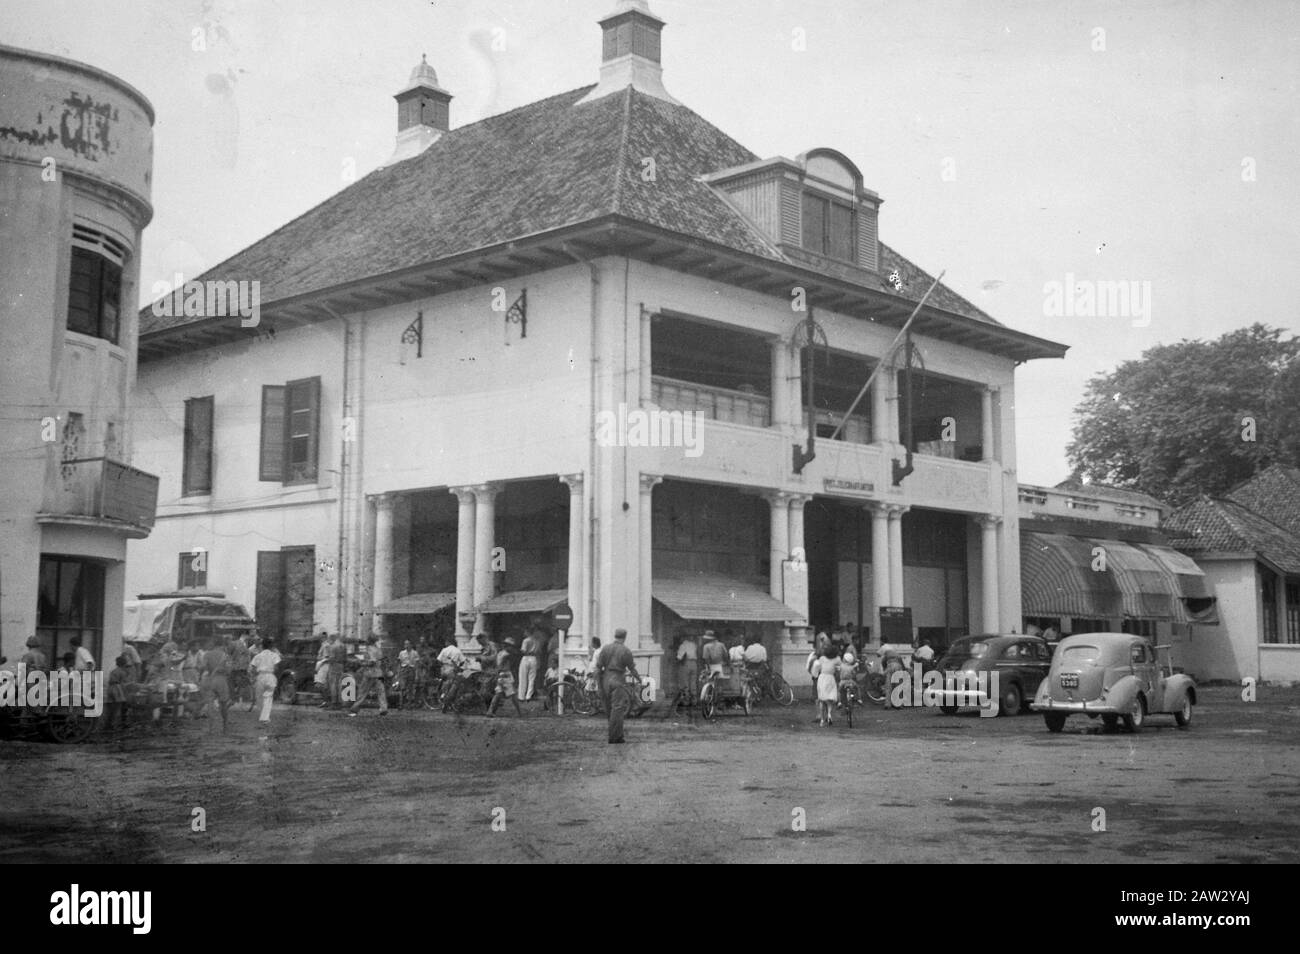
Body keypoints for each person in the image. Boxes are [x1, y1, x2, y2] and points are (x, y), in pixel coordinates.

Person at [594, 628, 640, 744]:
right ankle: (615, 737)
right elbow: (632, 669)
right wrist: (640, 679)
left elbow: (598, 668)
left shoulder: (605, 648)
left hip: (605, 678)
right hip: (618, 678)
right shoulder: (625, 651)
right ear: (625, 637)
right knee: (618, 709)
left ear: (615, 636)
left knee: (609, 709)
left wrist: (599, 685)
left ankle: (615, 734)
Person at [349, 634, 389, 717]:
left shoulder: (369, 649)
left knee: (363, 691)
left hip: (369, 673)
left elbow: (371, 662)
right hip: (379, 673)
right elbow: (381, 660)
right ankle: (383, 708)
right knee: (381, 692)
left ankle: (355, 708)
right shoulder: (378, 649)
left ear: (369, 640)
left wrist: (362, 663)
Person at [200, 639, 233, 731]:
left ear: (213, 644)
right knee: (223, 704)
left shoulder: (207, 654)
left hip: (211, 679)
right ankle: (225, 725)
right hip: (222, 680)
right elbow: (229, 670)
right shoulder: (226, 655)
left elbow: (203, 667)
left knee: (210, 703)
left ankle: (211, 727)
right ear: (222, 644)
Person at [249, 637, 281, 725]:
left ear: (262, 646)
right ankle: (265, 717)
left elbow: (253, 668)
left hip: (260, 676)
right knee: (268, 696)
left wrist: (253, 677)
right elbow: (276, 667)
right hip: (270, 675)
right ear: (271, 646)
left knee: (259, 697)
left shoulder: (258, 656)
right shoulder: (275, 655)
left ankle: (263, 716)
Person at [488, 641, 523, 718]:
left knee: (498, 694)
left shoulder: (500, 653)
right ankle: (519, 712)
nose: (511, 648)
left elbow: (498, 665)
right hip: (505, 674)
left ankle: (490, 711)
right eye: (510, 646)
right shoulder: (506, 655)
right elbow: (501, 665)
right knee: (512, 694)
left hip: (501, 674)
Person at [810, 644, 841, 727]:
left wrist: (814, 675)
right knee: (830, 699)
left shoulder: (822, 658)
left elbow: (817, 667)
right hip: (831, 678)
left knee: (822, 699)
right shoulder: (837, 659)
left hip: (822, 678)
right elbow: (839, 668)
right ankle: (829, 714)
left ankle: (822, 720)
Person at [106, 654, 133, 731]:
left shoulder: (113, 671)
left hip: (110, 688)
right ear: (124, 664)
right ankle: (116, 724)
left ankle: (108, 725)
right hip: (117, 689)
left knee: (111, 708)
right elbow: (123, 684)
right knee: (118, 707)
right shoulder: (122, 672)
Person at [518, 628, 540, 702]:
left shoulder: (526, 640)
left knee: (523, 677)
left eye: (525, 631)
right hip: (533, 658)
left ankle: (521, 696)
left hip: (526, 658)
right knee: (532, 678)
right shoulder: (537, 641)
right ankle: (528, 696)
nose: (524, 633)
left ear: (528, 632)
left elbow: (523, 650)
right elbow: (538, 651)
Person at [676, 632, 699, 698]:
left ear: (683, 638)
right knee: (693, 681)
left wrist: (677, 662)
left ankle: (686, 699)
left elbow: (679, 657)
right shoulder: (694, 644)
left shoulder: (683, 645)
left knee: (685, 681)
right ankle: (694, 698)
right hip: (694, 663)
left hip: (686, 663)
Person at [397, 639, 419, 705]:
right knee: (402, 687)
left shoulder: (415, 653)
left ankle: (409, 703)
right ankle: (401, 702)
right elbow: (399, 663)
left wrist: (417, 675)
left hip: (411, 670)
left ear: (411, 645)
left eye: (408, 644)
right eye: (405, 644)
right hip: (403, 670)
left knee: (410, 687)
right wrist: (398, 673)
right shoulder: (401, 653)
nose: (406, 645)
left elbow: (417, 665)